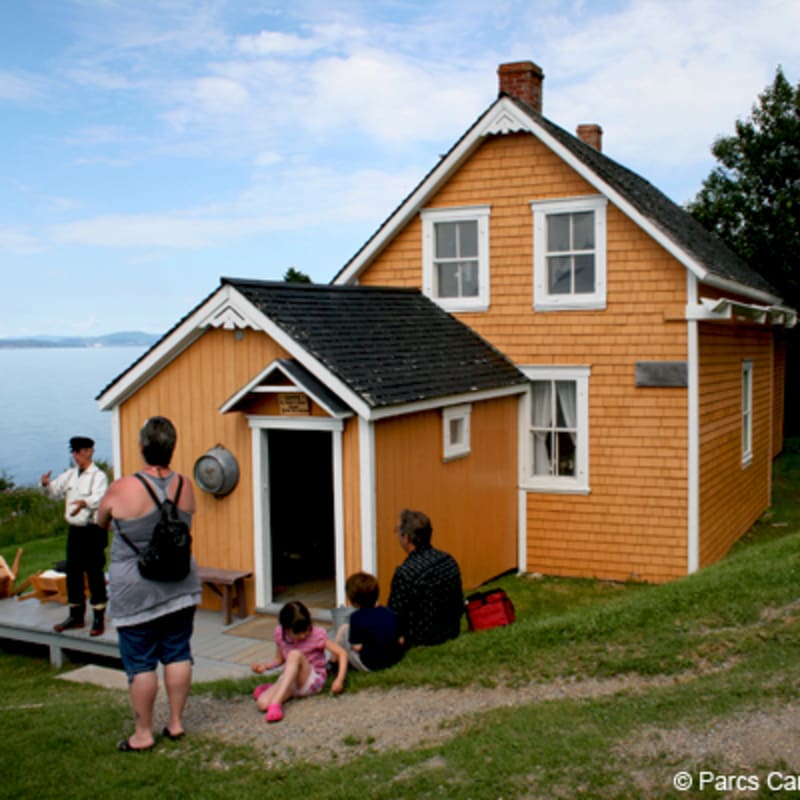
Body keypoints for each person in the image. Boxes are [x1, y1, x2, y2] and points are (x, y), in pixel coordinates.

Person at [97, 416, 201, 752]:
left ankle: (143, 733)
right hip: (181, 584)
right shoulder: (186, 486)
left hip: (135, 588)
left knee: (141, 662)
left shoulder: (122, 488)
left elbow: (102, 519)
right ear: (172, 447)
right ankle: (176, 722)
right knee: (177, 652)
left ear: (142, 446)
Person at [41, 435, 109, 636]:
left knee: (95, 573)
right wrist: (46, 484)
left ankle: (98, 618)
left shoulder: (99, 476)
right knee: (73, 573)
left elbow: (99, 498)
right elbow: (55, 492)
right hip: (75, 531)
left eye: (79, 452)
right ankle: (76, 615)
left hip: (93, 530)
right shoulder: (70, 475)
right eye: (73, 452)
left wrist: (84, 503)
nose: (76, 456)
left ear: (89, 452)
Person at [251, 600, 347, 723]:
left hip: (311, 680)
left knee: (294, 654)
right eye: (297, 633)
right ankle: (273, 688)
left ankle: (276, 703)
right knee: (262, 704)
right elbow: (279, 660)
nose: (303, 636)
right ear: (286, 629)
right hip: (291, 680)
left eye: (305, 630)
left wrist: (339, 680)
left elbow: (342, 653)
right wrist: (265, 666)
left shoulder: (317, 634)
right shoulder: (280, 634)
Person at [387, 509, 464, 648]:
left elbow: (394, 617)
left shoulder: (405, 572)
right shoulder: (448, 560)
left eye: (398, 532)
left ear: (407, 538)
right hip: (451, 630)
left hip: (420, 638)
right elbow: (458, 603)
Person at [336, 572, 404, 672]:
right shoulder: (389, 612)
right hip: (394, 659)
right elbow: (401, 640)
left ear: (353, 601)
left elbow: (357, 647)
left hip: (370, 665)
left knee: (343, 629)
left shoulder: (356, 618)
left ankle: (333, 662)